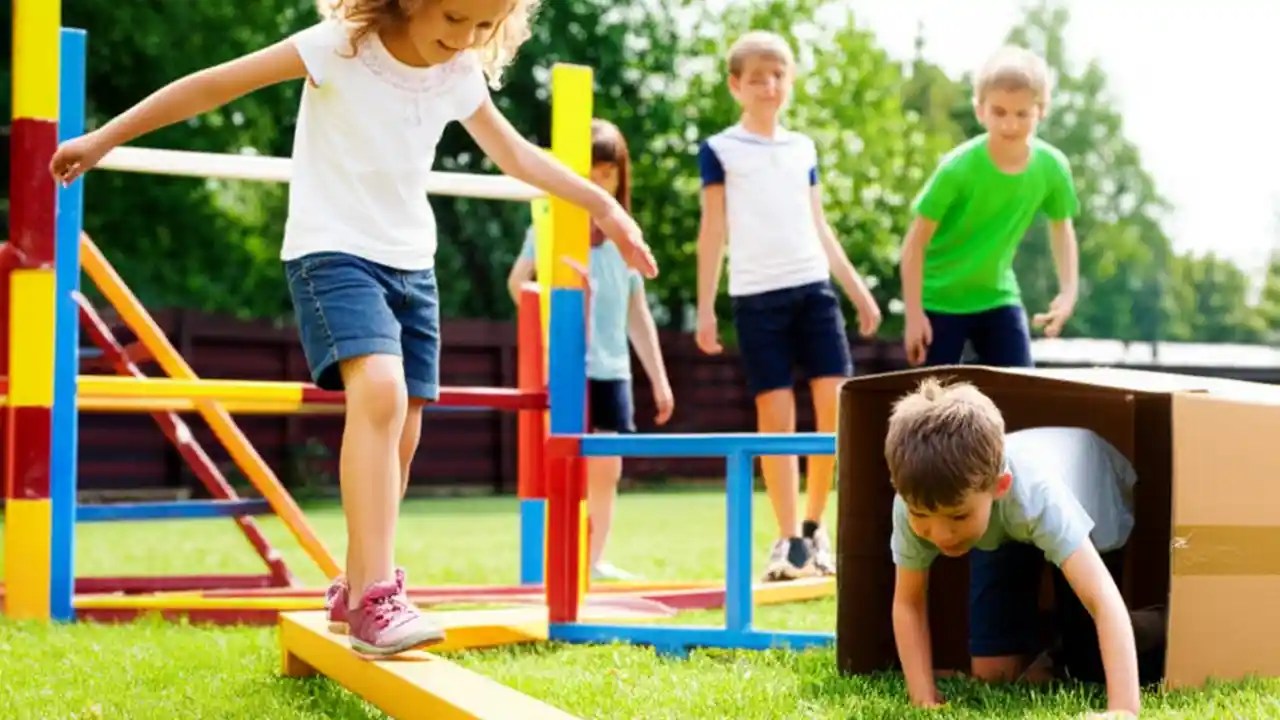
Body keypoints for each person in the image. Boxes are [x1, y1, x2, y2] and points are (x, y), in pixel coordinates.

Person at [50, 0, 657, 657]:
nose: (463, 39)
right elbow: (215, 83)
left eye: (483, 28)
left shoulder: (459, 72)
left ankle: (354, 585)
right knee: (381, 394)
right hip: (332, 252)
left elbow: (515, 156)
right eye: (453, 19)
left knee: (405, 424)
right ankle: (376, 595)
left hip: (411, 265)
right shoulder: (339, 46)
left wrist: (603, 205)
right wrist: (104, 136)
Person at [694, 30, 881, 582]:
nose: (770, 85)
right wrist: (705, 307)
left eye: (779, 75)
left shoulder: (803, 148)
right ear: (736, 86)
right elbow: (713, 230)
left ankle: (814, 528)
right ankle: (787, 540)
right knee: (775, 418)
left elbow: (818, 224)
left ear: (790, 81)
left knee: (834, 406)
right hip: (756, 298)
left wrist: (857, 290)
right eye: (757, 77)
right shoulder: (720, 149)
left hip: (813, 290)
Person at [885, 378, 1141, 717]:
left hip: (1089, 490)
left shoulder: (1037, 495)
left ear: (999, 486)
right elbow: (908, 602)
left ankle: (1147, 625)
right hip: (999, 526)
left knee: (1087, 666)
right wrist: (923, 697)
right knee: (995, 675)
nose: (941, 534)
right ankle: (1047, 653)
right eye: (923, 516)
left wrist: (1123, 709)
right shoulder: (914, 498)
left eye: (957, 516)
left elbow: (1102, 599)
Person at [506, 118, 674, 582]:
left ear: (620, 177)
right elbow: (518, 285)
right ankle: (556, 558)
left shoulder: (625, 239)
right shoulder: (550, 228)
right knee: (561, 466)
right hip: (564, 367)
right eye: (591, 173)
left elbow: (637, 315)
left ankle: (596, 559)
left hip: (611, 368)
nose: (599, 182)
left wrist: (658, 379)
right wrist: (560, 296)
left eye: (608, 173)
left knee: (607, 468)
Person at [899, 44, 1080, 369]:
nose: (1010, 124)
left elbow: (1061, 229)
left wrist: (1068, 292)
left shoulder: (1052, 168)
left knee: (1020, 389)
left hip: (997, 297)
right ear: (980, 110)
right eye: (999, 112)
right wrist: (914, 314)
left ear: (1042, 110)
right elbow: (915, 242)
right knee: (931, 404)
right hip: (939, 299)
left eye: (1022, 113)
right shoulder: (957, 169)